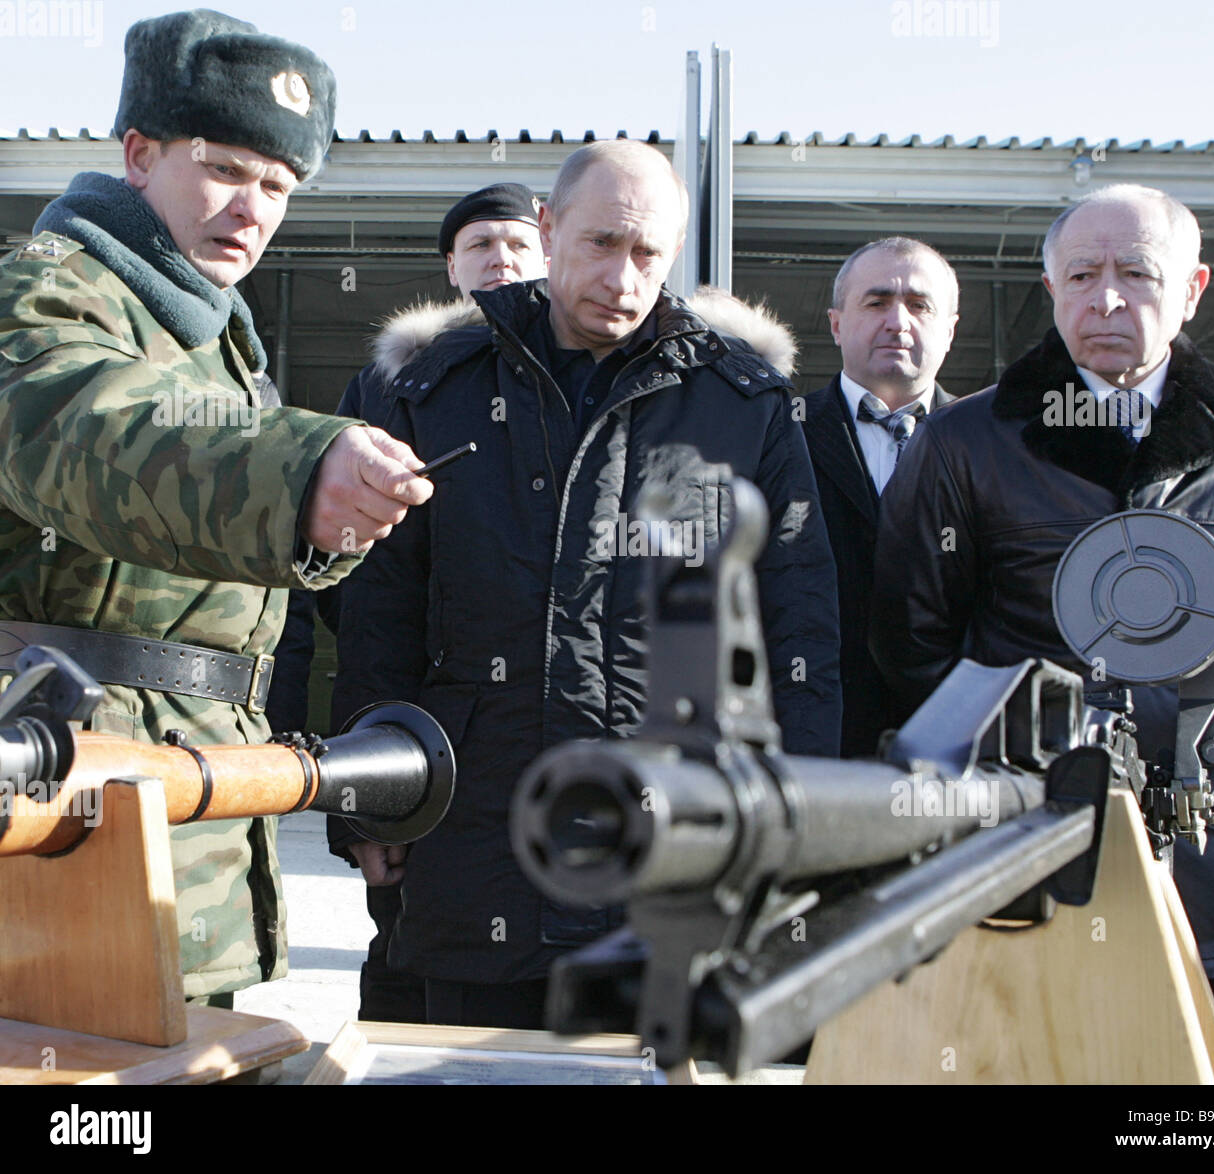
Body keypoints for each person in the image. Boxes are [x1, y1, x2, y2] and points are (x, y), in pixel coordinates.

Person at [328, 138, 841, 1028]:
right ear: (548, 226)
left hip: (671, 838)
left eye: (647, 255)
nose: (622, 276)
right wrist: (367, 800)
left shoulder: (741, 404)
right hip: (474, 825)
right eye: (601, 244)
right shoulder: (431, 388)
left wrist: (795, 827)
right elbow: (380, 612)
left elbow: (799, 621)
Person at [0, 9, 431, 1004]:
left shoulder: (208, 337)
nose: (254, 208)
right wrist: (297, 474)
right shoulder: (46, 291)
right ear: (139, 152)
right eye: (227, 169)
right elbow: (85, 435)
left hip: (187, 821)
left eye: (279, 186)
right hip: (57, 820)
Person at [869, 183, 1214, 1043]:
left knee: (1208, 1107)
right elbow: (911, 649)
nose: (1106, 298)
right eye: (1081, 275)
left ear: (1193, 288)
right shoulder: (967, 442)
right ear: (1052, 287)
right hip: (1023, 857)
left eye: (1137, 273)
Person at [265, 182, 550, 1022]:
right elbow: (359, 597)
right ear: (450, 269)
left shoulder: (591, 380)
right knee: (413, 966)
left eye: (518, 244)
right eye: (481, 246)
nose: (502, 258)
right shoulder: (392, 387)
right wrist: (365, 786)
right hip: (429, 739)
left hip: (569, 752)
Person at [803, 238, 958, 757]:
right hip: (811, 748)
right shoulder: (778, 434)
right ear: (836, 323)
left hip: (952, 752)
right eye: (876, 302)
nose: (898, 321)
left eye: (919, 305)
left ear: (951, 330)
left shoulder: (996, 444)